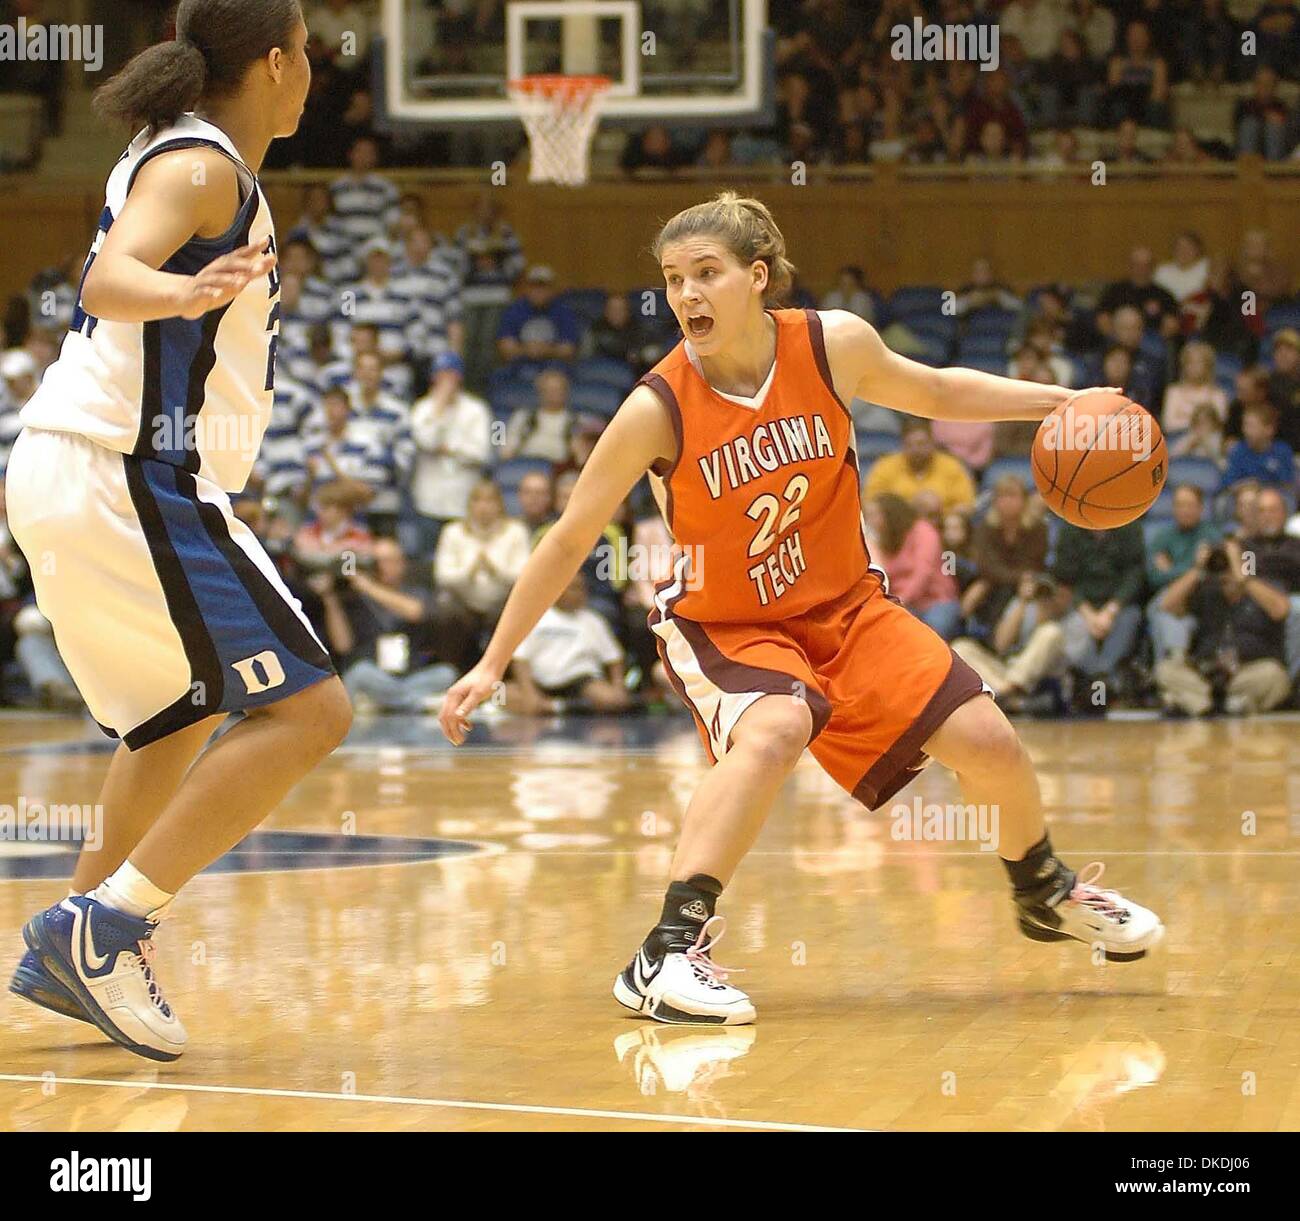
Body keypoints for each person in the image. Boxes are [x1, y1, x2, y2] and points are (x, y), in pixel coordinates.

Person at [438, 192, 1163, 1026]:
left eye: (706, 274)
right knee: (777, 725)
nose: (686, 296)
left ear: (757, 277)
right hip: (726, 620)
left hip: (847, 604)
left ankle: (1042, 887)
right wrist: (493, 661)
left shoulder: (831, 344)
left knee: (990, 742)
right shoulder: (655, 406)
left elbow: (932, 389)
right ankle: (664, 953)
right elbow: (569, 538)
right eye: (673, 279)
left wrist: (1058, 403)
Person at [5, 0, 351, 1061]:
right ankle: (106, 928)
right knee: (312, 714)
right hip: (129, 469)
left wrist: (182, 289)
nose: (314, 76)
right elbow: (106, 280)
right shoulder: (205, 169)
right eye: (309, 58)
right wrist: (182, 286)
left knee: (176, 714)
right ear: (277, 64)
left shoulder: (182, 152)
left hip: (79, 464)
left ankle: (78, 943)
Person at [507, 575, 632, 715]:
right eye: (574, 589)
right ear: (557, 590)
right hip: (539, 683)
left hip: (581, 681)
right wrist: (529, 692)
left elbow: (614, 658)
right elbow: (520, 659)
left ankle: (554, 708)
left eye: (582, 589)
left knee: (609, 699)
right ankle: (561, 707)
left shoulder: (593, 621)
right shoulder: (535, 617)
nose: (580, 593)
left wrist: (618, 687)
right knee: (504, 695)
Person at [862, 417, 978, 515]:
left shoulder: (951, 467)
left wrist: (939, 510)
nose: (916, 449)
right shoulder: (885, 467)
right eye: (910, 445)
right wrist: (909, 507)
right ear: (903, 445)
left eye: (922, 443)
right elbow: (870, 503)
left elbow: (966, 506)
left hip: (942, 529)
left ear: (932, 443)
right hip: (895, 532)